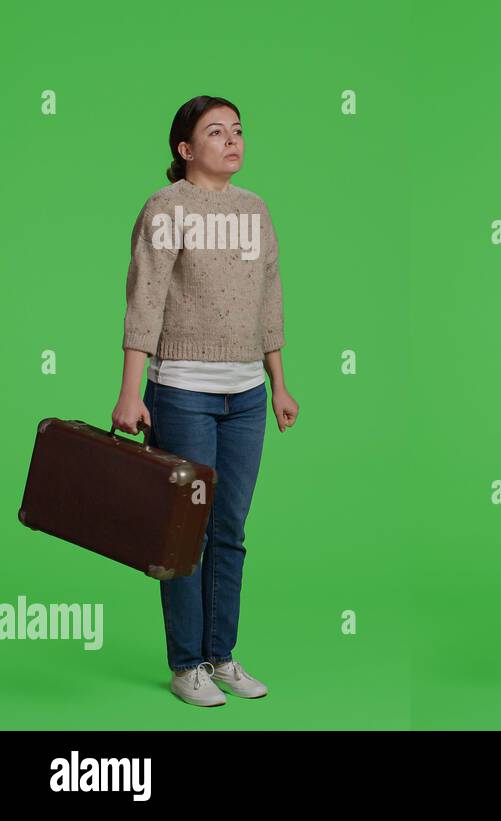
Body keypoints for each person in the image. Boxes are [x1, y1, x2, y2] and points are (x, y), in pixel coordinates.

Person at [111, 95, 299, 707]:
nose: (232, 140)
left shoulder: (257, 210)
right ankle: (186, 663)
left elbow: (269, 299)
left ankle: (221, 655)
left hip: (245, 395)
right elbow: (146, 301)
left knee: (230, 528)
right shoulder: (165, 208)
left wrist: (278, 381)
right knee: (184, 529)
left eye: (238, 130)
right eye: (215, 132)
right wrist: (130, 393)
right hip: (182, 392)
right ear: (185, 149)